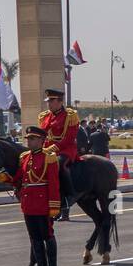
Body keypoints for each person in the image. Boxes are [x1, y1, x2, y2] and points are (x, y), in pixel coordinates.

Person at [0, 125, 60, 266]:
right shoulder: (25, 157)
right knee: (34, 237)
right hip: (28, 204)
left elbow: (53, 183)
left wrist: (54, 205)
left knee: (47, 235)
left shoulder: (49, 157)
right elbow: (20, 178)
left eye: (32, 139)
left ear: (41, 140)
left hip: (43, 203)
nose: (29, 142)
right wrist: (7, 179)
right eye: (28, 139)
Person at [38, 88, 80, 221]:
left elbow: (69, 138)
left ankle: (71, 194)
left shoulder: (70, 116)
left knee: (58, 163)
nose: (48, 104)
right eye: (48, 101)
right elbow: (42, 135)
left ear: (60, 101)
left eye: (51, 101)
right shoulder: (45, 116)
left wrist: (52, 148)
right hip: (48, 148)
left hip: (65, 149)